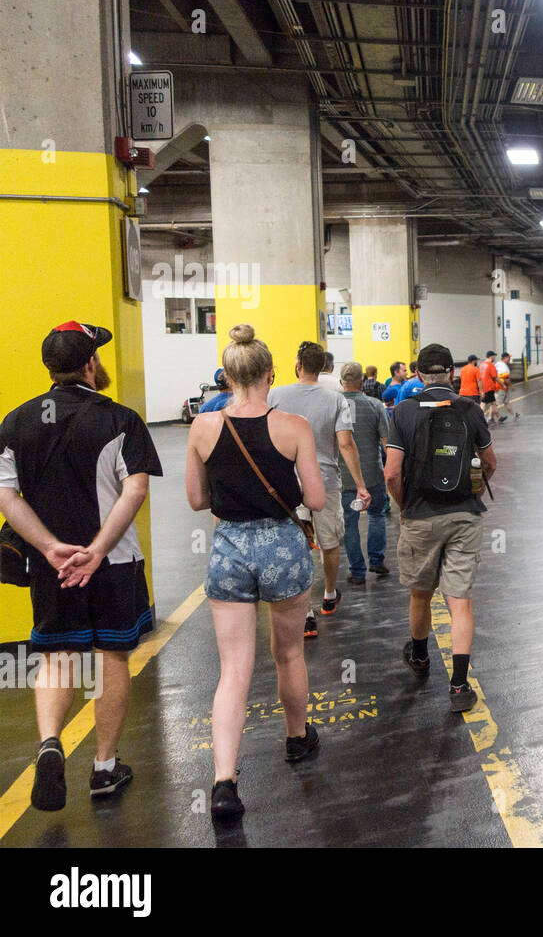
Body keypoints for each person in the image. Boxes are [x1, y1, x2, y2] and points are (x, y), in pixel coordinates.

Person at [0, 321, 163, 811]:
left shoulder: (15, 421)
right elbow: (135, 490)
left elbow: (6, 496)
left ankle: (50, 742)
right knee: (112, 657)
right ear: (90, 363)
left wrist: (49, 548)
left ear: (50, 366)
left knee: (56, 655)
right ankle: (105, 767)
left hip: (53, 569)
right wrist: (94, 550)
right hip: (111, 564)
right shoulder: (121, 419)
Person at [184, 324, 326, 819]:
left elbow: (197, 499)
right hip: (283, 548)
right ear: (270, 374)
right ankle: (296, 738)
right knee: (288, 654)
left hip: (229, 549)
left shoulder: (203, 427)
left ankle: (225, 782)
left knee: (234, 670)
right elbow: (317, 499)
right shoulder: (293, 427)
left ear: (226, 376)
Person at [384, 343, 496, 713]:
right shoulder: (470, 409)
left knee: (421, 592)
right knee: (459, 601)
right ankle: (460, 686)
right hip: (465, 514)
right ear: (451, 372)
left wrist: (405, 507)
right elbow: (490, 462)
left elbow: (392, 472)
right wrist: (475, 488)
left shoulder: (402, 412)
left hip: (420, 515)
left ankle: (419, 657)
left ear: (417, 375)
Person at [268, 340, 370, 637]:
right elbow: (346, 444)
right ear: (325, 366)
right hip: (325, 482)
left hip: (286, 483)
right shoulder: (336, 399)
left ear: (298, 365)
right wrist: (361, 485)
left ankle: (306, 612)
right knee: (330, 542)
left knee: (296, 546)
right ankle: (328, 595)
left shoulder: (275, 395)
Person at [339, 362, 389, 585]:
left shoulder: (335, 405)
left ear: (342, 382)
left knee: (349, 523)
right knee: (377, 515)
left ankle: (357, 571)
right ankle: (376, 560)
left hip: (344, 477)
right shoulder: (375, 405)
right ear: (362, 382)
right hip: (372, 475)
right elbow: (388, 442)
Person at [495, 353, 519, 422]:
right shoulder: (503, 366)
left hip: (503, 387)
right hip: (501, 387)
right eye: (509, 358)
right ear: (505, 358)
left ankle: (514, 415)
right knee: (495, 404)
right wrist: (511, 386)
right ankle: (490, 418)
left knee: (506, 402)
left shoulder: (498, 364)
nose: (509, 359)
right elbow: (506, 379)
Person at [480, 351, 503, 422]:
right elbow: (495, 377)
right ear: (491, 356)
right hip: (489, 387)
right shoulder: (490, 365)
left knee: (492, 402)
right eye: (494, 356)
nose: (495, 358)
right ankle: (480, 418)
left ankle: (498, 417)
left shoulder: (481, 364)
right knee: (484, 403)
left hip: (482, 386)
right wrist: (502, 385)